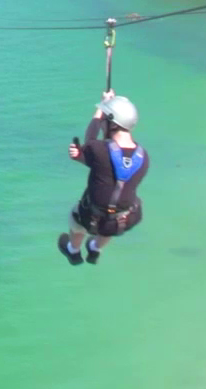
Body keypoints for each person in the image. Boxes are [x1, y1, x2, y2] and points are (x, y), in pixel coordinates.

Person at [59, 90, 146, 266]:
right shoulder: (143, 156)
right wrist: (83, 157)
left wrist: (103, 106)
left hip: (92, 217)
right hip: (125, 219)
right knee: (112, 220)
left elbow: (90, 140)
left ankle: (73, 251)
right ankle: (95, 248)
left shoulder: (98, 150)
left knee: (76, 219)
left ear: (110, 123)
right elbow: (110, 173)